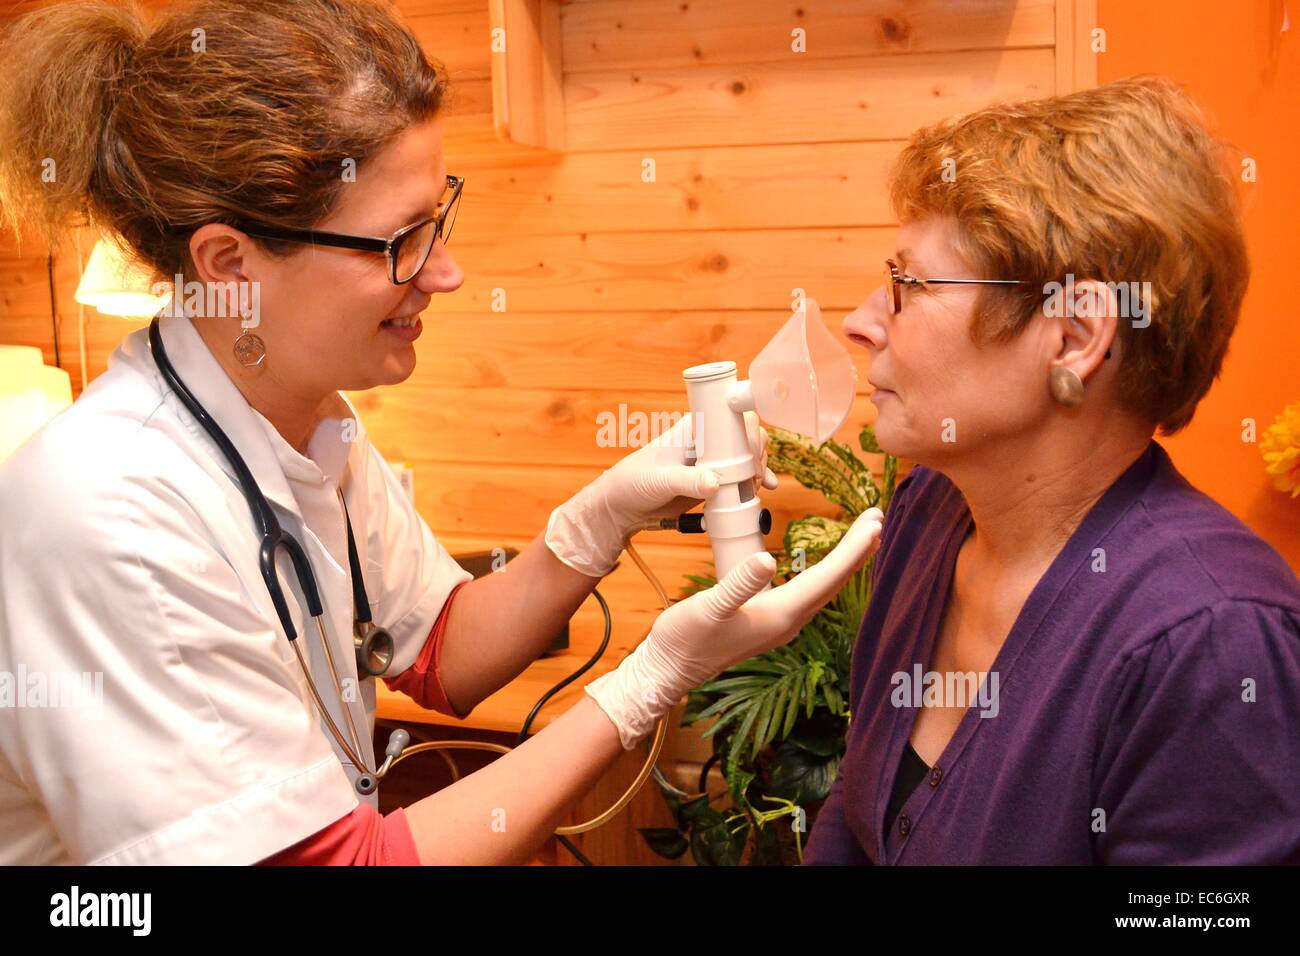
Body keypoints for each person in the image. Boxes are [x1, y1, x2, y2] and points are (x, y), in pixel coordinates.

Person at [0, 0, 884, 865]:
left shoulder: (308, 421)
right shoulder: (106, 514)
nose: (447, 273)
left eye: (439, 218)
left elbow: (441, 654)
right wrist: (645, 684)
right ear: (231, 265)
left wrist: (598, 522)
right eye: (402, 241)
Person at [803, 75, 1300, 865]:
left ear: (1073, 339)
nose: (862, 323)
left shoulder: (1212, 638)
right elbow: (855, 823)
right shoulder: (931, 508)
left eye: (912, 284)